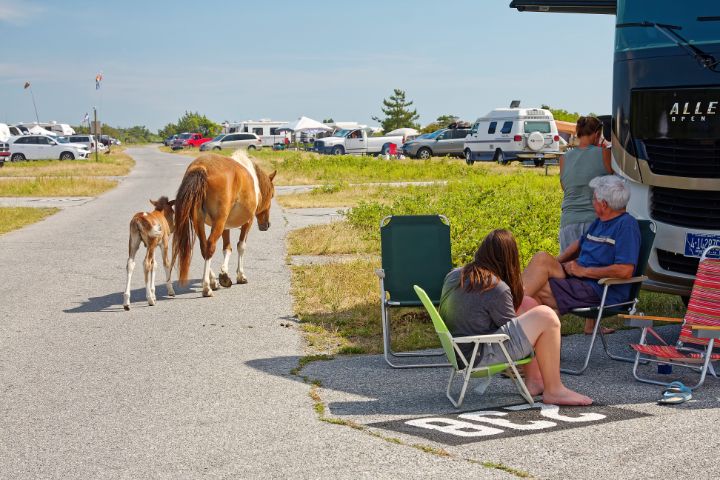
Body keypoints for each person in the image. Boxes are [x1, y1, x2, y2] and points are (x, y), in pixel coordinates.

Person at [439, 229, 592, 406]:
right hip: (479, 356)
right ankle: (554, 390)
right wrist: (541, 336)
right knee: (547, 316)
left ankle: (535, 381)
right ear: (509, 258)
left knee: (525, 303)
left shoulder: (455, 275)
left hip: (459, 350)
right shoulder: (495, 287)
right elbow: (511, 334)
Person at [522, 175, 640, 334]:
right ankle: (531, 343)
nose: (592, 202)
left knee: (537, 291)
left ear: (604, 204)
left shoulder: (626, 226)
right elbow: (579, 244)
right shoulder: (601, 220)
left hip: (597, 289)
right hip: (577, 278)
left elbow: (625, 270)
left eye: (594, 199)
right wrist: (555, 264)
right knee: (542, 259)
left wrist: (584, 271)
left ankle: (506, 317)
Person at [558, 116, 613, 251]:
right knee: (592, 269)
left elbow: (565, 188)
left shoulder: (563, 159)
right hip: (594, 222)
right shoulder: (604, 154)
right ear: (597, 135)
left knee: (568, 269)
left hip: (568, 222)